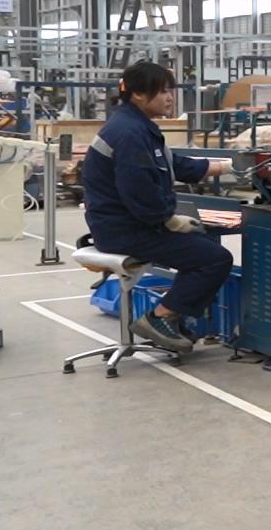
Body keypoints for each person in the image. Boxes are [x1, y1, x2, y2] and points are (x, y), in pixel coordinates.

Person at [82, 60, 232, 353]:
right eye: (163, 91)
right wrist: (168, 220)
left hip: (122, 224)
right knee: (214, 258)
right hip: (126, 230)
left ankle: (173, 318)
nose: (170, 98)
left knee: (199, 245)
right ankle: (160, 318)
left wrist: (224, 167)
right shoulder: (130, 134)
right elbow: (138, 191)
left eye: (170, 91)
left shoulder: (135, 126)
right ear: (138, 94)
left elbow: (172, 164)